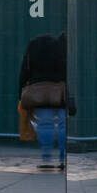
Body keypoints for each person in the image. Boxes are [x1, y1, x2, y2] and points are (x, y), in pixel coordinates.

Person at [20, 32, 69, 170]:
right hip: (58, 91)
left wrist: (21, 92)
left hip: (39, 91)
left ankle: (46, 157)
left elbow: (25, 69)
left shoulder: (33, 46)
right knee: (62, 125)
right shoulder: (61, 47)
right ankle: (62, 157)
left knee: (45, 124)